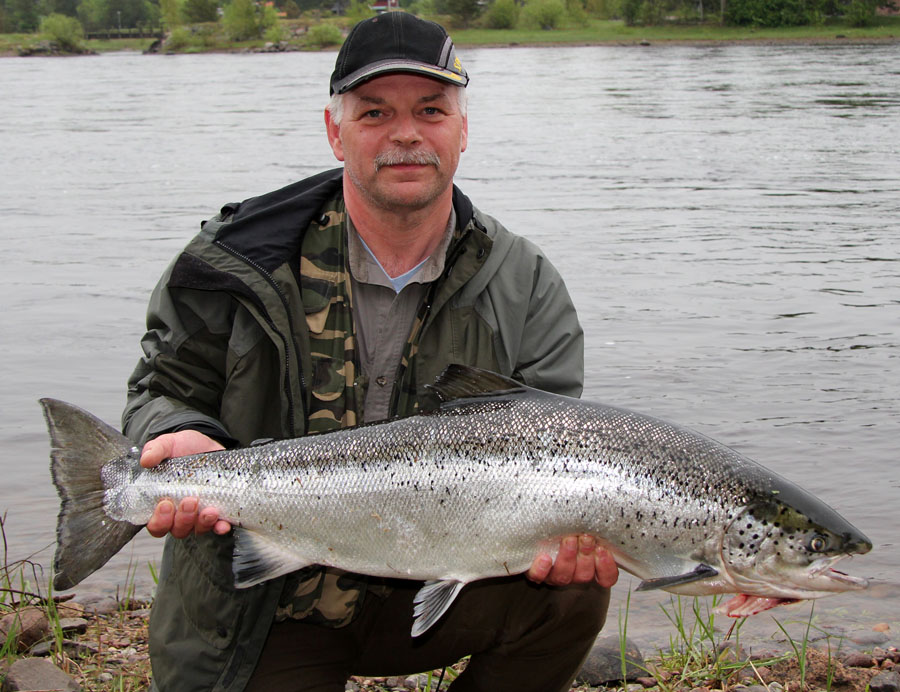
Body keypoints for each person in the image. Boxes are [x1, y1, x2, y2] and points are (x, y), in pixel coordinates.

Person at [123, 12, 618, 692]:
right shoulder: (235, 262)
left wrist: (566, 537)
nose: (406, 134)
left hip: (442, 587)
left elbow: (554, 444)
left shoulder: (526, 284)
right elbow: (160, 388)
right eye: (376, 112)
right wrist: (178, 432)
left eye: (431, 110)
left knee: (574, 594)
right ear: (336, 132)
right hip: (264, 602)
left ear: (463, 130)